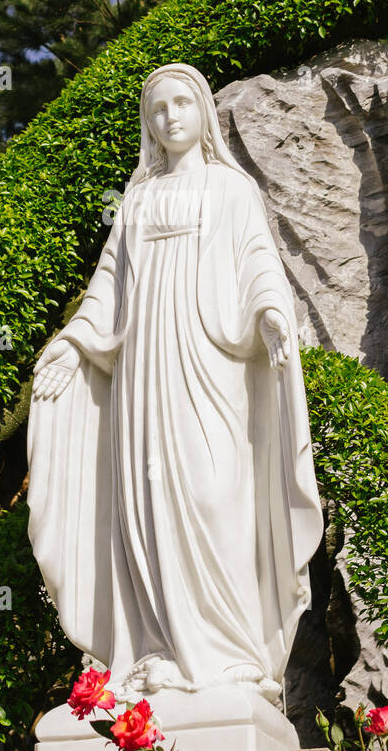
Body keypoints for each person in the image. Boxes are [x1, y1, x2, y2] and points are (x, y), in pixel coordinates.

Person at [27, 62, 322, 709]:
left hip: (211, 367)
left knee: (216, 496)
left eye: (182, 103)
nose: (170, 118)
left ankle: (233, 655)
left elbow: (256, 262)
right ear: (148, 125)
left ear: (203, 112)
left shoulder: (230, 189)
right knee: (149, 507)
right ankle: (158, 652)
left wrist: (272, 314)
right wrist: (72, 343)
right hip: (142, 375)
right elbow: (108, 286)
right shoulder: (136, 199)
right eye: (157, 109)